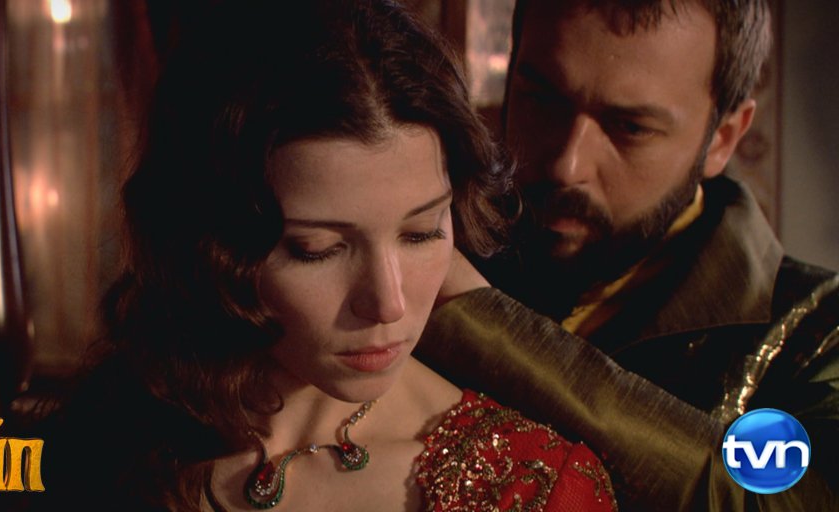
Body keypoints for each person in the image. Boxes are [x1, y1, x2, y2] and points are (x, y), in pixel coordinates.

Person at [36, 1, 616, 510]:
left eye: (420, 233)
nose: (387, 303)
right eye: (318, 249)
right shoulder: (100, 441)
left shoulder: (534, 486)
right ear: (209, 243)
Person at [419, 0, 839, 510]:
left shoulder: (818, 331)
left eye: (631, 128)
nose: (568, 164)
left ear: (723, 139)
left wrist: (474, 317)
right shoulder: (424, 240)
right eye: (541, 99)